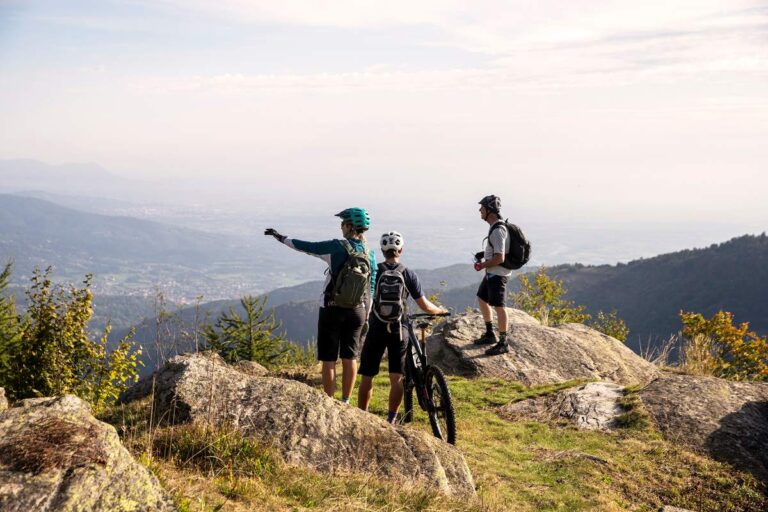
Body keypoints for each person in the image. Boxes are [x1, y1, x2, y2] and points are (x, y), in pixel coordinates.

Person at [264, 207, 376, 402]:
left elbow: (306, 246)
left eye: (342, 223)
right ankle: (346, 401)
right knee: (350, 358)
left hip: (331, 309)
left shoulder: (336, 247)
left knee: (329, 359)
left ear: (349, 226)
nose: (341, 226)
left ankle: (329, 401)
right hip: (357, 311)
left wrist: (281, 238)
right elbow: (371, 287)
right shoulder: (370, 254)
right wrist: (366, 312)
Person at [357, 231, 447, 424]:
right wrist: (439, 311)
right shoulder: (408, 274)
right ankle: (391, 420)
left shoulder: (375, 272)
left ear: (382, 251)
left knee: (367, 376)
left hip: (376, 327)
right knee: (396, 377)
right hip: (400, 329)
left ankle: (361, 418)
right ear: (401, 250)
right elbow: (424, 305)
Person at [473, 195, 513, 356]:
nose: (480, 211)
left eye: (482, 208)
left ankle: (503, 342)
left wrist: (481, 265)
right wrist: (483, 254)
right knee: (482, 298)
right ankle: (490, 333)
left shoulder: (498, 230)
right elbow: (497, 251)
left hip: (498, 274)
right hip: (492, 273)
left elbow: (500, 257)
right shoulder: (496, 227)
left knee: (499, 306)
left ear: (490, 210)